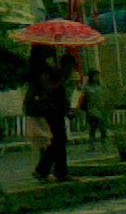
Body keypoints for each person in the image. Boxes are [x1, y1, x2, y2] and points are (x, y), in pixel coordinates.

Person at [26, 44, 73, 182]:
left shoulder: (47, 67)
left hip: (55, 107)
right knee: (58, 139)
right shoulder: (41, 69)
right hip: (49, 108)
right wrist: (63, 77)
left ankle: (61, 171)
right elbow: (50, 88)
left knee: (60, 139)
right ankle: (42, 169)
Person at [80, 68, 107, 149]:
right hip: (91, 109)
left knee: (103, 127)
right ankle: (91, 144)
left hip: (101, 108)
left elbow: (105, 95)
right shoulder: (87, 87)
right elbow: (82, 97)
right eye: (95, 76)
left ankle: (103, 142)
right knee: (93, 126)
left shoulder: (102, 85)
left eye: (98, 76)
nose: (97, 77)